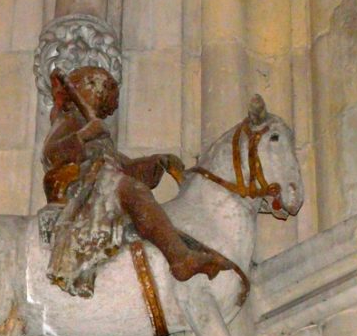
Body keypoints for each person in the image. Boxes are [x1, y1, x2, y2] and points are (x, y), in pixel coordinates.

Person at [42, 66, 230, 297]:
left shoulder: (99, 134)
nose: (111, 103)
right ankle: (180, 258)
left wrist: (154, 162)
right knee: (131, 189)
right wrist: (84, 135)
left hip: (104, 187)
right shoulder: (71, 120)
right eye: (107, 93)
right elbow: (52, 153)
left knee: (130, 187)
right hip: (83, 193)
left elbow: (121, 166)